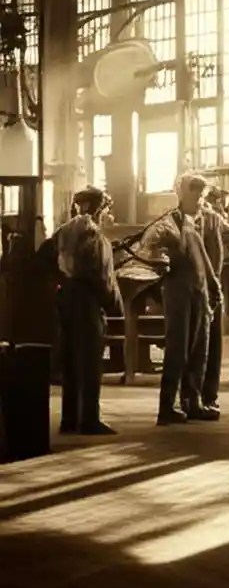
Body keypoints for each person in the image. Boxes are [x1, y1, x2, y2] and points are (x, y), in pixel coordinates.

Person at [38, 187, 125, 436]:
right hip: (87, 301)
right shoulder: (94, 236)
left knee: (70, 362)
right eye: (106, 209)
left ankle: (69, 420)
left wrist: (60, 279)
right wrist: (112, 302)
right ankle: (89, 419)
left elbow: (43, 257)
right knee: (89, 362)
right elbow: (101, 276)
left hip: (65, 298)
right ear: (99, 208)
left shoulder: (64, 232)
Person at [137, 173, 223, 424]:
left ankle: (193, 401)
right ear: (181, 194)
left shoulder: (200, 225)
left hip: (200, 292)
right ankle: (167, 406)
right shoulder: (166, 224)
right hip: (178, 292)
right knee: (178, 348)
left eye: (201, 194)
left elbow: (205, 260)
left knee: (200, 348)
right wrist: (160, 261)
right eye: (194, 193)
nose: (199, 199)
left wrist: (214, 286)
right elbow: (149, 250)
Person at [196, 189, 229, 410]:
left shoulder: (213, 220)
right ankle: (198, 395)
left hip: (212, 285)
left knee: (212, 341)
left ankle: (207, 395)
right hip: (197, 285)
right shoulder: (184, 219)